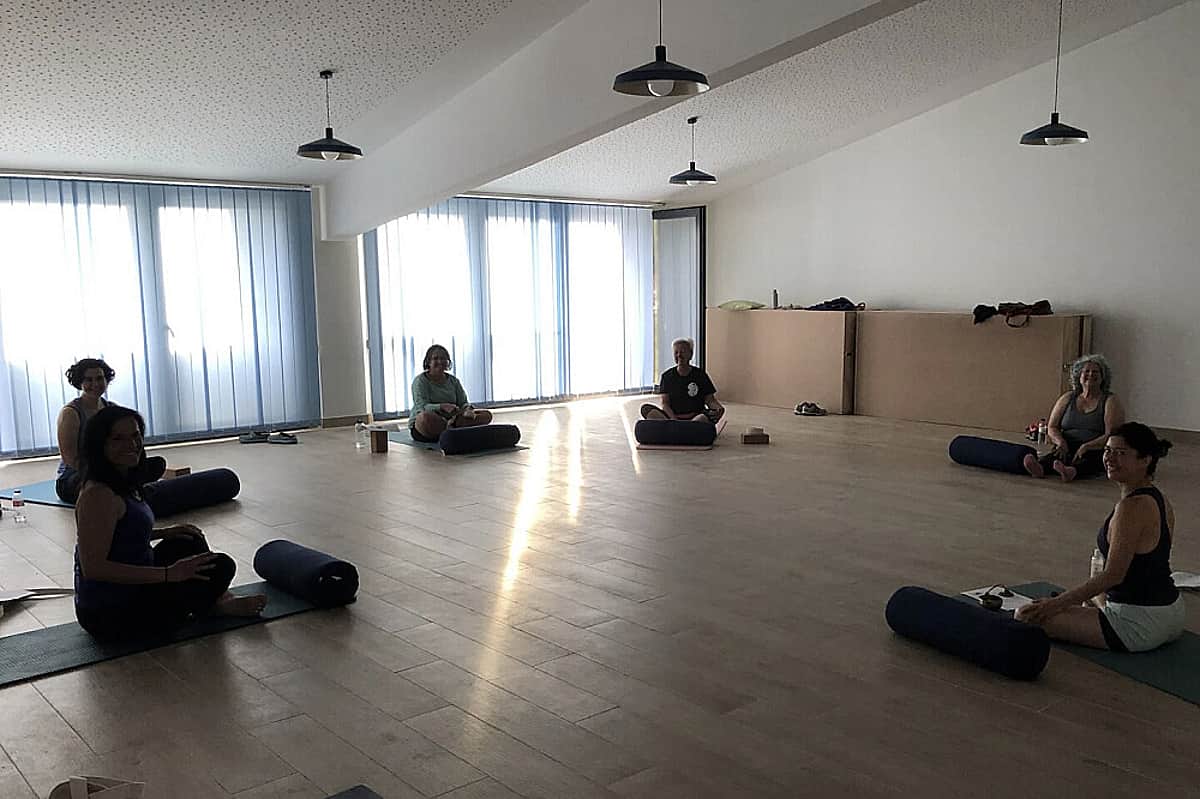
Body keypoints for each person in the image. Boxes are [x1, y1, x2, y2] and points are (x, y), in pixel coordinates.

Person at [73, 405, 266, 640]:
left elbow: (121, 533)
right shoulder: (98, 495)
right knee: (222, 566)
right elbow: (94, 568)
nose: (131, 444)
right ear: (100, 445)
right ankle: (213, 606)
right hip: (110, 614)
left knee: (189, 539)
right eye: (117, 439)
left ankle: (216, 602)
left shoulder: (122, 480)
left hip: (133, 585)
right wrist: (168, 574)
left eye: (135, 436)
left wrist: (164, 533)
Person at [1015, 422, 1184, 652]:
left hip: (1139, 623)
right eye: (1107, 450)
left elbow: (1113, 576)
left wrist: (1053, 605)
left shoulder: (1131, 508)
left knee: (1026, 615)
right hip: (1172, 610)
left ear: (1145, 460)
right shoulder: (1160, 499)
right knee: (1091, 594)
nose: (1110, 458)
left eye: (1121, 453)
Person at [55, 358, 163, 503]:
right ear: (80, 382)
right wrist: (100, 473)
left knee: (157, 464)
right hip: (76, 476)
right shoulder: (71, 412)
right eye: (89, 380)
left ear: (106, 380)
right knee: (108, 481)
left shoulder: (111, 409)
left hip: (111, 469)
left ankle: (124, 488)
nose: (95, 384)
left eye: (100, 378)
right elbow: (69, 458)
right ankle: (125, 488)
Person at [1023, 354, 1124, 482]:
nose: (1090, 374)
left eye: (1095, 372)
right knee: (1057, 454)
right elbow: (1052, 427)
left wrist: (1087, 446)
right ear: (1079, 376)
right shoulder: (1068, 397)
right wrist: (1060, 442)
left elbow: (1111, 434)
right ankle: (1040, 467)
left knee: (1089, 459)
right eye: (1086, 371)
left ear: (1103, 377)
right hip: (1067, 444)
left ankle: (1071, 472)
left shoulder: (1110, 400)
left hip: (1095, 447)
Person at [410, 344, 493, 442]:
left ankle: (452, 431)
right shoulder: (420, 381)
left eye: (443, 358)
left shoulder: (454, 381)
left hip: (453, 420)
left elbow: (463, 402)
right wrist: (441, 407)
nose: (440, 361)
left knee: (486, 415)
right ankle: (454, 431)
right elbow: (421, 406)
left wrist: (468, 410)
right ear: (428, 362)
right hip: (431, 422)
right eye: (435, 358)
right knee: (424, 418)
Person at [641, 337, 725, 423]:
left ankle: (681, 428)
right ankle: (682, 428)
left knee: (704, 417)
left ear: (691, 354)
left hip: (696, 417)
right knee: (646, 409)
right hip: (673, 418)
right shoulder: (666, 376)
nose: (679, 355)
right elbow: (665, 404)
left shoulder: (701, 375)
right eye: (676, 352)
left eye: (683, 352)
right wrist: (674, 420)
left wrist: (719, 409)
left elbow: (710, 400)